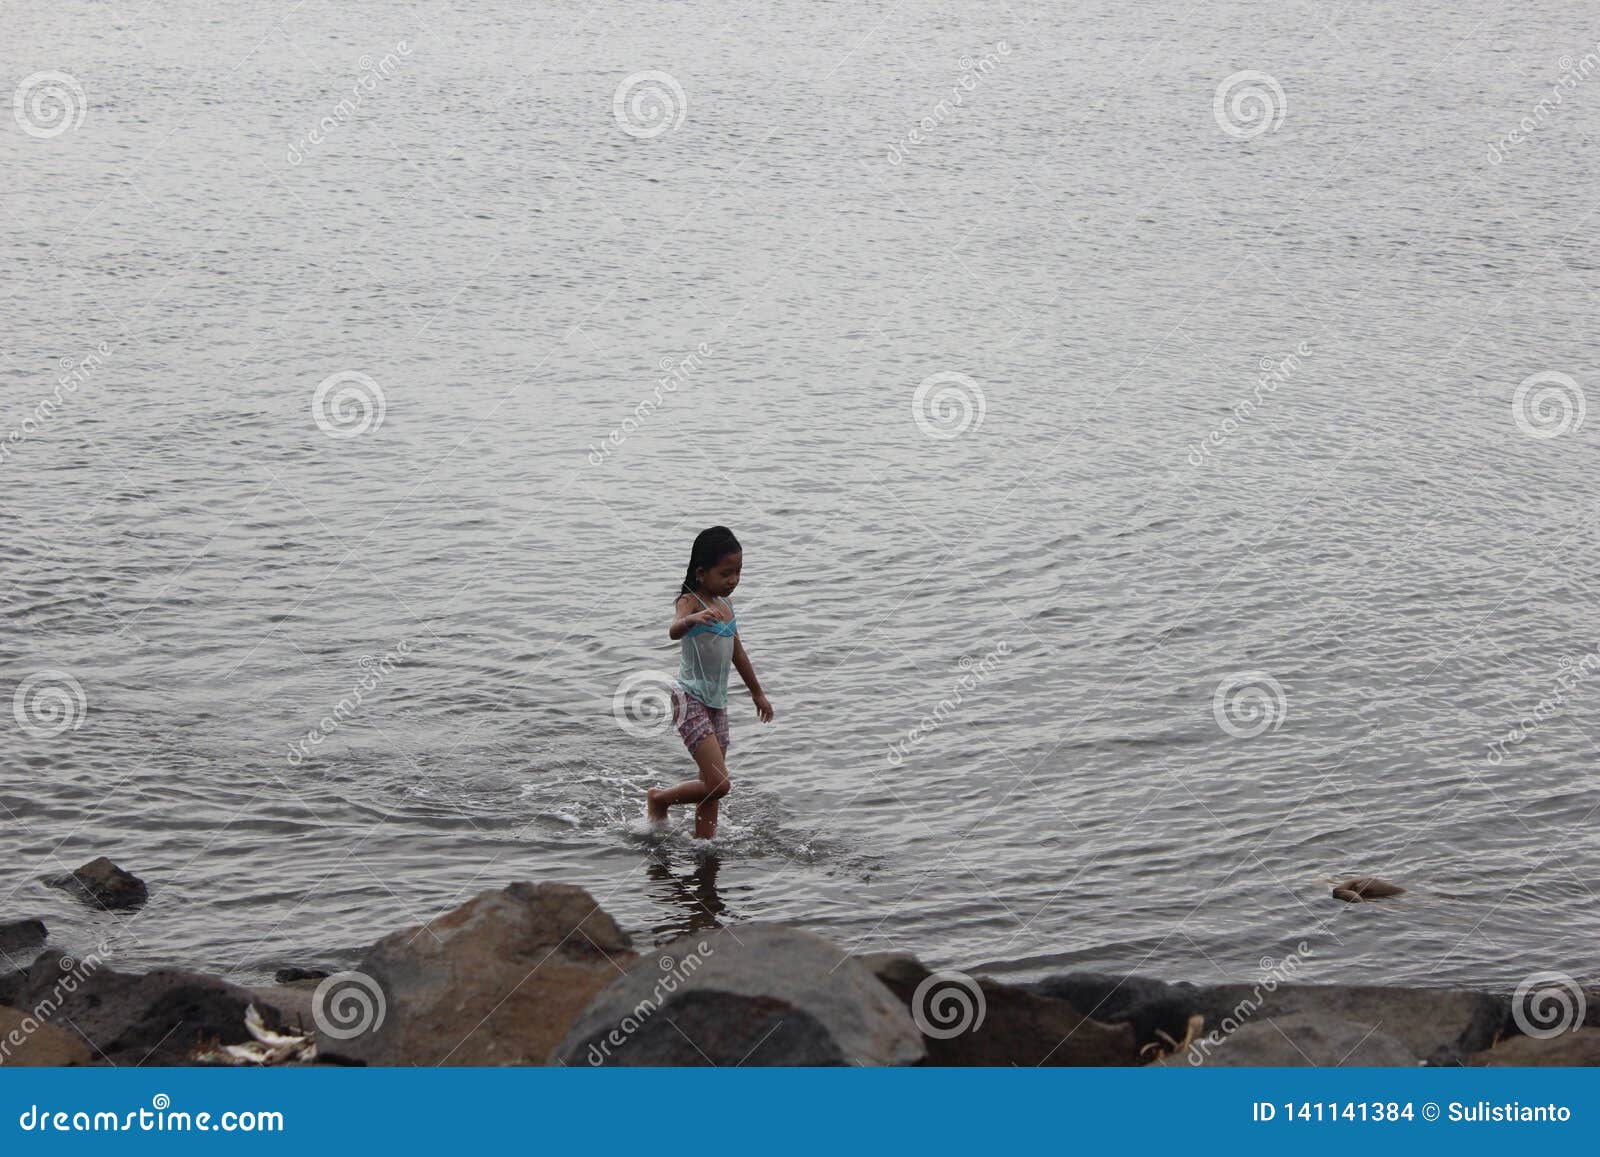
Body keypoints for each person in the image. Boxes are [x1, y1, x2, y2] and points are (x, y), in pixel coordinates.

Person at [646, 525, 774, 837]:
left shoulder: (727, 607)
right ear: (701, 573)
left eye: (739, 572)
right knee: (720, 783)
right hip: (689, 699)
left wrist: (757, 693)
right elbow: (674, 630)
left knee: (710, 784)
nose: (734, 580)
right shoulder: (690, 601)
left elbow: (738, 654)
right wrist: (691, 620)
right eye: (726, 573)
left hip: (717, 703)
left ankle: (705, 846)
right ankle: (659, 800)